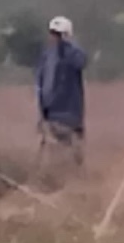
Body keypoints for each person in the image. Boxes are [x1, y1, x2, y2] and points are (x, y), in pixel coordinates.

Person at [36, 15, 87, 167]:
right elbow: (41, 84)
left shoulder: (72, 54)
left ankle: (76, 179)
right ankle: (58, 179)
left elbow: (81, 62)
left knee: (73, 150)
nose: (53, 37)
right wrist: (42, 111)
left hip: (71, 112)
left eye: (57, 34)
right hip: (51, 113)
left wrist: (68, 46)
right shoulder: (47, 57)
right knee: (55, 150)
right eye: (52, 33)